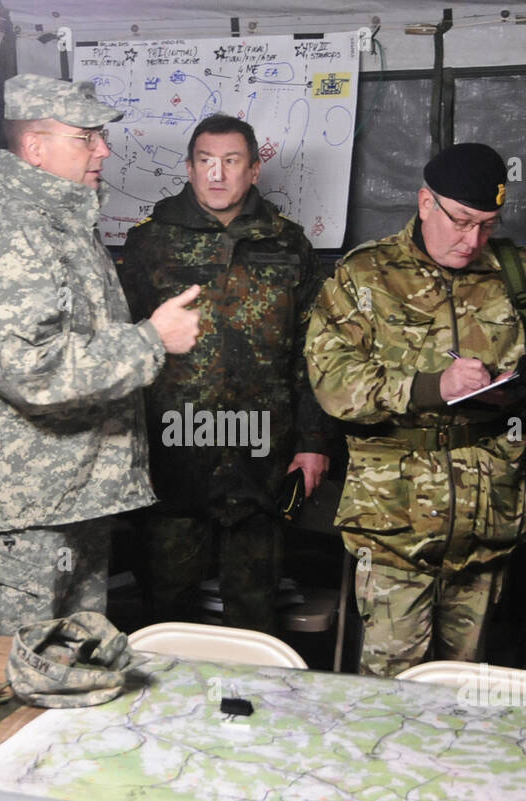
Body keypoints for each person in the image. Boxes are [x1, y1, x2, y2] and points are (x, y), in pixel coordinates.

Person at [0, 74, 200, 642]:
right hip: (25, 518)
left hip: (71, 502)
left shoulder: (65, 229)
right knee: (13, 692)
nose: (103, 150)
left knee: (72, 683)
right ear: (35, 147)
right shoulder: (10, 235)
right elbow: (33, 370)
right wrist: (152, 339)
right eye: (87, 137)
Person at [306, 143, 526, 677]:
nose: (472, 239)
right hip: (394, 522)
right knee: (391, 691)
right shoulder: (366, 276)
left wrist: (524, 392)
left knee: (465, 687)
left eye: (488, 225)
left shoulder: (521, 273)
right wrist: (432, 387)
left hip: (490, 519)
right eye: (462, 221)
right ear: (425, 202)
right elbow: (332, 383)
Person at [119, 114, 333, 634]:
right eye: (205, 162)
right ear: (190, 169)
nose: (217, 174)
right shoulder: (148, 243)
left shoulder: (289, 244)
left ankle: (248, 711)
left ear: (255, 170)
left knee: (254, 611)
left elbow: (314, 351)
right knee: (166, 611)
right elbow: (119, 345)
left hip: (261, 453)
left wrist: (312, 440)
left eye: (231, 161)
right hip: (173, 449)